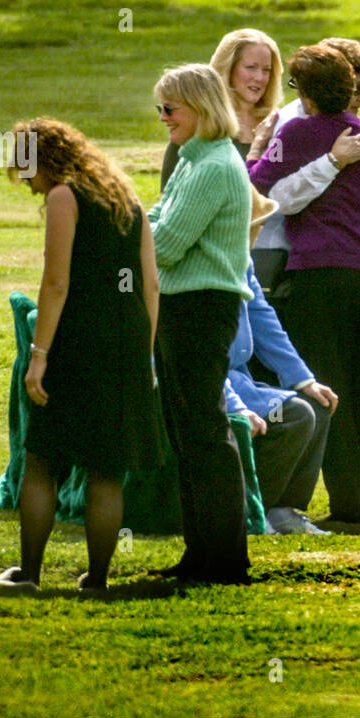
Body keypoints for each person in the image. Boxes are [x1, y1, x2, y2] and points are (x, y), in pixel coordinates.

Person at [0, 119, 162, 591]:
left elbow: (56, 282)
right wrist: (143, 353)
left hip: (81, 336)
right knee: (106, 469)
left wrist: (38, 355)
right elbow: (151, 285)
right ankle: (97, 580)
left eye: (26, 172)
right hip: (126, 339)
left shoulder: (64, 196)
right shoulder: (128, 200)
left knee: (42, 459)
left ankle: (30, 574)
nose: (28, 186)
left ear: (42, 160)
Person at [249, 44, 360, 524]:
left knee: (329, 385)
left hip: (322, 272)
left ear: (303, 93)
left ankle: (345, 504)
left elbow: (256, 187)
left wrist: (258, 147)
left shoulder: (297, 131)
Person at [148, 63, 254, 584]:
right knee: (185, 431)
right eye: (160, 108)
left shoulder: (213, 164)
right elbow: (156, 221)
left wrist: (139, 230)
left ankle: (226, 557)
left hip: (202, 307)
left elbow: (165, 244)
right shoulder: (193, 159)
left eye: (171, 108)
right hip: (181, 305)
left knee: (205, 432)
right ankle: (201, 552)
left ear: (202, 108)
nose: (163, 118)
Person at [226, 199, 338, 535]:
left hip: (240, 379)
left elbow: (262, 317)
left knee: (314, 406)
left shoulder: (241, 259)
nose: (260, 232)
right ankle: (251, 513)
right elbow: (198, 354)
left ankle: (283, 510)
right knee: (295, 416)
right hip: (214, 383)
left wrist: (303, 380)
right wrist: (235, 406)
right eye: (255, 224)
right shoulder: (204, 263)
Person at [246, 38, 360, 300]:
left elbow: (255, 187)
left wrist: (255, 150)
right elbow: (270, 198)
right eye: (355, 89)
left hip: (330, 264)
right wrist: (332, 162)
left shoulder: (359, 130)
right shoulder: (291, 125)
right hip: (300, 262)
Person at [159, 29, 284, 190]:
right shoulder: (197, 124)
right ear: (227, 68)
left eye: (266, 70)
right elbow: (168, 197)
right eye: (251, 67)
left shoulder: (278, 124)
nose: (259, 77)